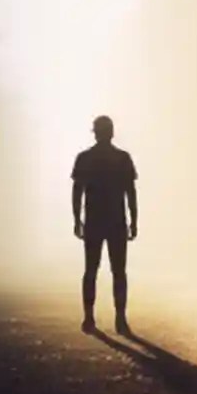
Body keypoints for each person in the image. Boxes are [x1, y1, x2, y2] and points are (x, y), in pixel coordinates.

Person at [71, 115, 138, 335]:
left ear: (96, 133)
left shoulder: (84, 158)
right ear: (111, 133)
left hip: (94, 222)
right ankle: (120, 318)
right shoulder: (122, 158)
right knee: (119, 271)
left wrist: (76, 219)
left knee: (91, 270)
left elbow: (77, 192)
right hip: (116, 222)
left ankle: (89, 317)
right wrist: (134, 220)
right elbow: (130, 192)